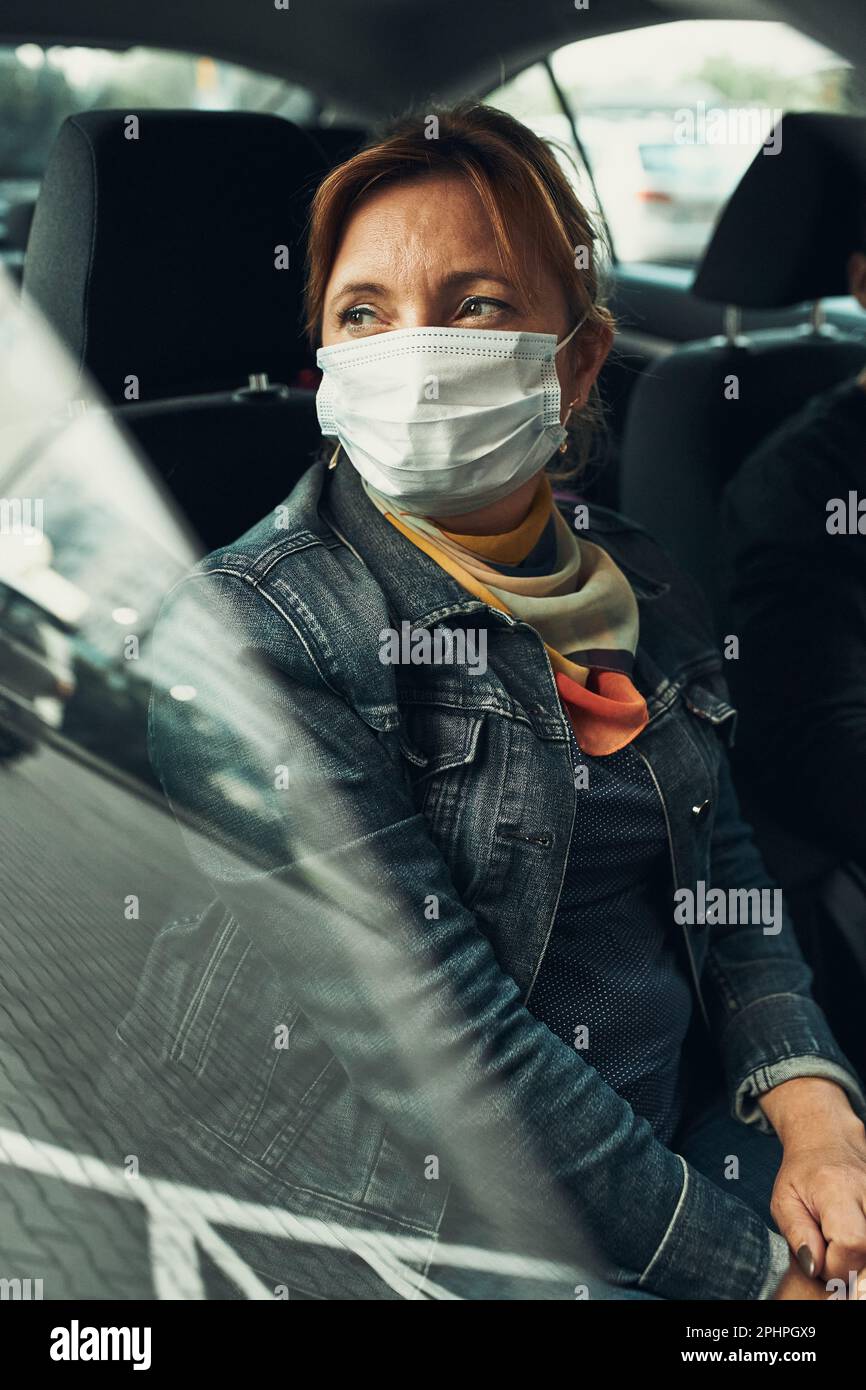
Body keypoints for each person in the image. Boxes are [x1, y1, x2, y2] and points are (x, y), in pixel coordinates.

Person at [98, 104, 866, 1302]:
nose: (411, 352)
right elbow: (445, 1050)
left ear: (576, 362)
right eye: (364, 314)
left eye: (474, 306)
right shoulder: (254, 629)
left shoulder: (639, 576)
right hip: (404, 1208)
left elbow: (722, 863)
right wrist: (747, 1274)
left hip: (657, 1128)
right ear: (328, 372)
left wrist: (810, 1099)